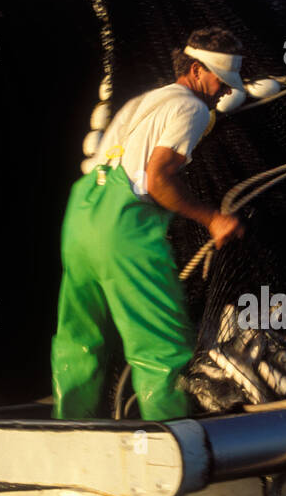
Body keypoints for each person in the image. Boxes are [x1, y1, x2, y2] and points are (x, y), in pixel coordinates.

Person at [51, 27, 246, 421]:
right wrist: (213, 219)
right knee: (162, 343)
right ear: (195, 70)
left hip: (82, 215)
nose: (225, 92)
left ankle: (69, 427)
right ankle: (170, 441)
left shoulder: (144, 101)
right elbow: (158, 179)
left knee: (80, 337)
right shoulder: (192, 108)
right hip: (123, 227)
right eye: (221, 81)